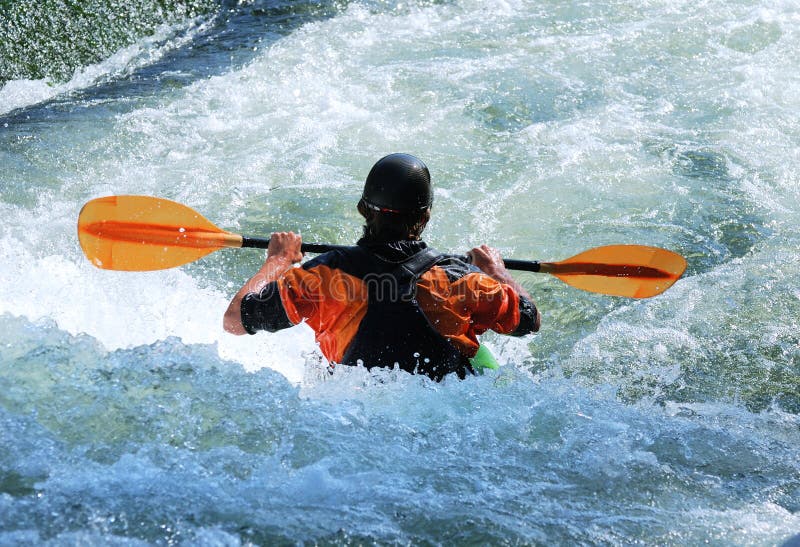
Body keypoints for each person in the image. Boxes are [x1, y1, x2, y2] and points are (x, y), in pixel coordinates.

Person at [224, 153, 540, 381]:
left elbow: (235, 320)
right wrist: (495, 270)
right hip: (448, 409)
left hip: (359, 408)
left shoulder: (321, 278)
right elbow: (530, 321)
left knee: (318, 363)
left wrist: (278, 261)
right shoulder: (463, 279)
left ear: (363, 209)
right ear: (425, 217)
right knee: (478, 355)